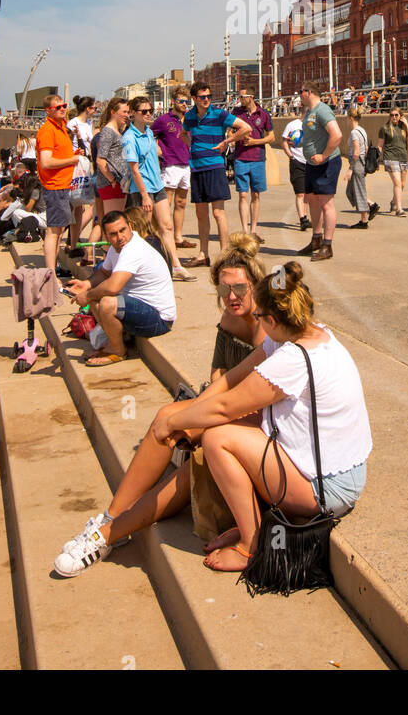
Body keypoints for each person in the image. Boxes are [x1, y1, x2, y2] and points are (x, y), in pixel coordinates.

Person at [52, 237, 267, 576]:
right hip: (233, 411)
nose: (232, 297)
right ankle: (110, 522)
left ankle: (107, 532)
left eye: (240, 288)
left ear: (255, 285)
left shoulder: (264, 326)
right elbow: (218, 374)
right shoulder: (230, 317)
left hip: (258, 423)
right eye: (224, 290)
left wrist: (203, 414)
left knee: (179, 447)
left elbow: (254, 399)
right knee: (175, 434)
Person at [153, 260, 371, 572]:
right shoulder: (313, 333)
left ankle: (249, 545)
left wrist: (172, 421)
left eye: (259, 317)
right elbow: (232, 380)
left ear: (271, 319)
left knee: (217, 437)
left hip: (329, 489)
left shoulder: (294, 358)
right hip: (345, 471)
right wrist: (192, 410)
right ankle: (248, 519)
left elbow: (225, 406)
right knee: (234, 427)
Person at [64, 210, 176, 367]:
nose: (120, 237)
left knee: (107, 303)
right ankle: (114, 342)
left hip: (159, 318)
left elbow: (112, 287)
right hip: (138, 308)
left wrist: (87, 295)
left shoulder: (133, 249)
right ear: (106, 236)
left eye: (122, 230)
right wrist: (87, 284)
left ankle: (117, 351)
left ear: (130, 226)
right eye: (113, 234)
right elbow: (104, 272)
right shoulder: (115, 249)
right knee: (98, 300)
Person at [180, 82, 251, 268]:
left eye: (209, 96)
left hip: (215, 167)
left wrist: (227, 141)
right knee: (201, 213)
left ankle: (224, 254)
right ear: (194, 98)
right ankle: (203, 254)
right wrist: (192, 146)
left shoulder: (219, 114)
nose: (206, 100)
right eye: (202, 97)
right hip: (196, 167)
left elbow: (245, 128)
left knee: (218, 212)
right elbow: (183, 134)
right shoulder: (189, 116)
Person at [122, 98, 189, 282]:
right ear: (133, 113)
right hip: (141, 189)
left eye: (150, 110)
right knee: (143, 230)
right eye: (143, 111)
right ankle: (140, 270)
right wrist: (144, 196)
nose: (148, 114)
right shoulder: (129, 138)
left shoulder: (150, 132)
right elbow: (134, 169)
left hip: (157, 185)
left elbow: (157, 152)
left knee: (166, 226)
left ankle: (176, 265)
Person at [298, 81, 343, 262]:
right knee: (313, 201)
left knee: (326, 204)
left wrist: (324, 155)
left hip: (326, 163)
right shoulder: (309, 112)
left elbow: (337, 134)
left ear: (309, 92)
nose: (299, 96)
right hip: (311, 164)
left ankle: (327, 244)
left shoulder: (322, 110)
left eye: (301, 92)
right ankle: (316, 239)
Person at [35, 94, 78, 275]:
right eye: (58, 107)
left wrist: (74, 153)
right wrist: (72, 159)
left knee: (59, 230)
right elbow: (46, 162)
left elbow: (59, 155)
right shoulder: (47, 131)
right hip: (55, 186)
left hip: (63, 185)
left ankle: (55, 268)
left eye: (64, 105)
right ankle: (51, 273)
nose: (62, 109)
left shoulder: (61, 128)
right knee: (54, 232)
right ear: (48, 110)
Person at [151, 88, 196, 252]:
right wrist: (157, 149)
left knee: (181, 203)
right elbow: (149, 135)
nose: (184, 105)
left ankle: (178, 236)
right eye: (181, 101)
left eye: (186, 101)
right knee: (165, 203)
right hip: (170, 165)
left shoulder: (190, 119)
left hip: (186, 164)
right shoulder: (163, 120)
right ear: (173, 102)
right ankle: (162, 235)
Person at [231, 89, 275, 239]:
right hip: (240, 158)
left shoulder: (263, 114)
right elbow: (229, 133)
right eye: (239, 96)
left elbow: (271, 137)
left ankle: (253, 230)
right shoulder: (236, 112)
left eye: (242, 97)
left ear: (251, 97)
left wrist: (255, 142)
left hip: (257, 158)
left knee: (255, 194)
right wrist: (238, 137)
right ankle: (244, 230)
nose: (240, 99)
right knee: (242, 195)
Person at [66, 95, 97, 253]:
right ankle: (70, 241)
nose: (95, 111)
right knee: (72, 203)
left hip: (85, 165)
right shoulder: (73, 123)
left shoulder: (88, 124)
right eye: (94, 108)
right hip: (74, 165)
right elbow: (67, 144)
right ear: (87, 108)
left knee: (81, 206)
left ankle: (74, 241)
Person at [94, 98, 132, 220]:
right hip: (111, 184)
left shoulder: (117, 131)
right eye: (124, 112)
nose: (127, 115)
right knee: (113, 221)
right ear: (113, 112)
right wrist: (112, 180)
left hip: (119, 182)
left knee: (117, 219)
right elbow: (100, 159)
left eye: (128, 112)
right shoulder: (108, 131)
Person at [378, 106, 408, 217]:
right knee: (397, 183)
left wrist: (406, 124)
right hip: (390, 158)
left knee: (402, 185)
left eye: (396, 115)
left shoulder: (403, 128)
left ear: (400, 116)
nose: (394, 117)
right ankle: (399, 209)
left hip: (402, 157)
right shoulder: (384, 128)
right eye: (392, 115)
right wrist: (376, 160)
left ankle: (393, 202)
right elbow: (380, 145)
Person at [345, 106, 377, 228]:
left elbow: (356, 152)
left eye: (347, 118)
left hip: (357, 164)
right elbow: (366, 148)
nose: (346, 121)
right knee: (351, 192)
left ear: (351, 118)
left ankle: (364, 220)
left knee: (358, 192)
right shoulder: (362, 130)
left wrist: (350, 169)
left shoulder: (354, 132)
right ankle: (371, 205)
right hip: (361, 163)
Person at [280, 106, 310, 231]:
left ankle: (306, 217)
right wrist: (291, 155)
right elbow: (284, 141)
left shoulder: (312, 126)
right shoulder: (292, 125)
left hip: (310, 162)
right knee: (300, 193)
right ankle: (302, 218)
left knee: (308, 194)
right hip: (297, 162)